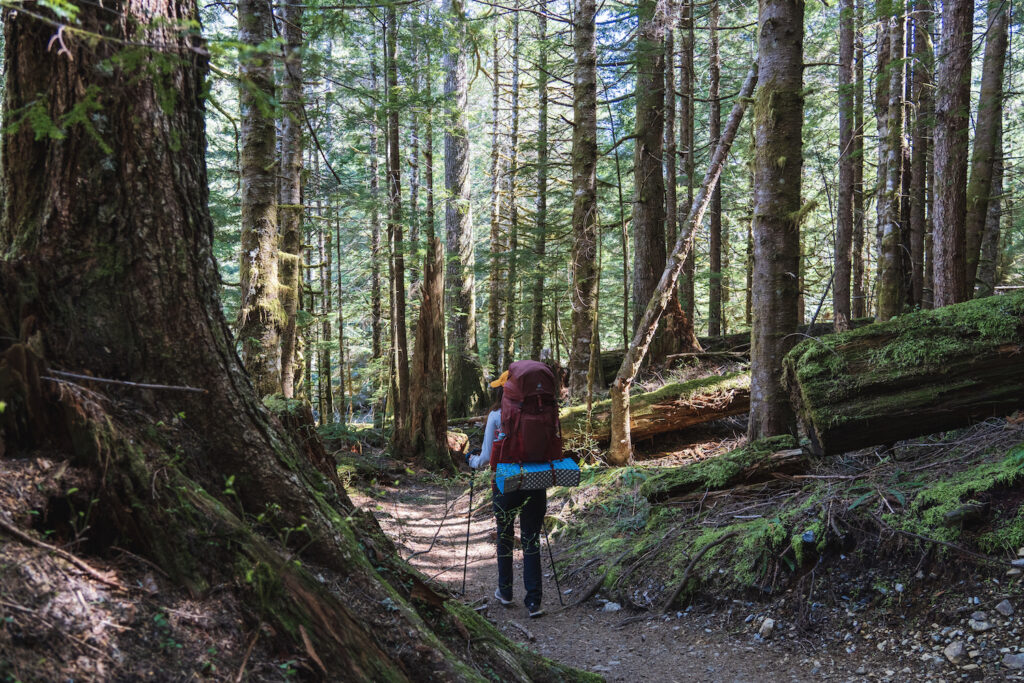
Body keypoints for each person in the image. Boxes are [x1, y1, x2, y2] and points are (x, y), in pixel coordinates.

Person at [467, 370, 548, 618]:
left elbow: (485, 459)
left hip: (506, 481)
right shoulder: (542, 410)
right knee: (531, 538)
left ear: (505, 390)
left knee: (504, 536)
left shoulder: (496, 415)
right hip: (536, 478)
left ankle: (505, 592)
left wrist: (470, 459)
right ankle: (534, 601)